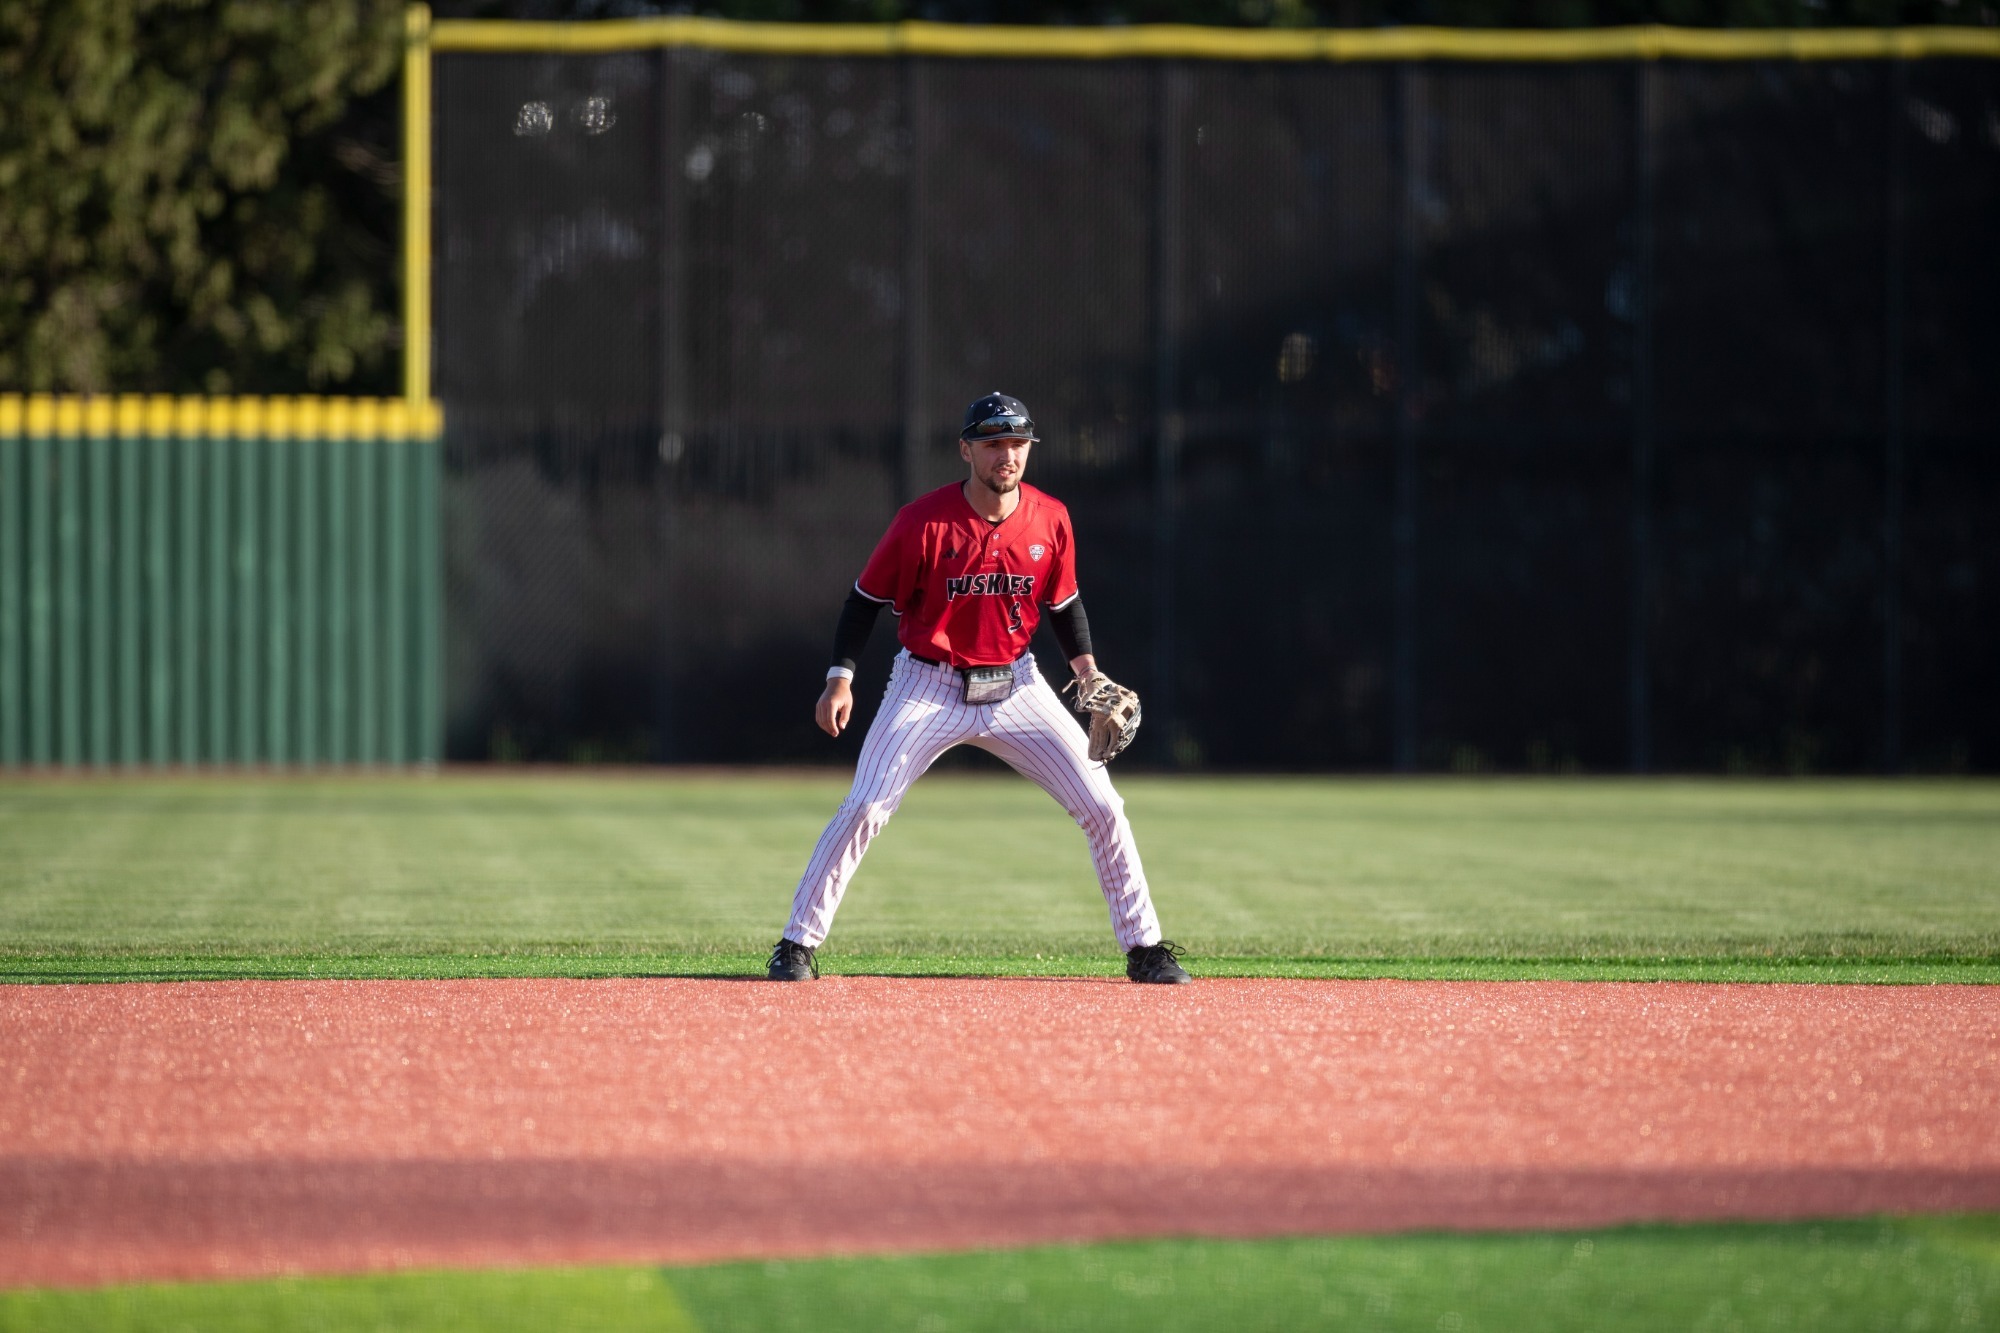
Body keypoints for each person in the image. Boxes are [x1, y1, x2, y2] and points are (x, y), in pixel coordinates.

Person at [766, 392, 1191, 985]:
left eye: (1018, 443)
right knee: (865, 805)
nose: (1007, 455)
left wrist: (1088, 673)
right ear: (966, 449)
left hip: (1018, 687)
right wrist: (840, 679)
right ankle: (795, 945)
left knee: (1104, 807)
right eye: (993, 443)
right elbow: (863, 602)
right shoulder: (923, 522)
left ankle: (1145, 948)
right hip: (927, 686)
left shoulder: (1051, 518)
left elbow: (1065, 606)